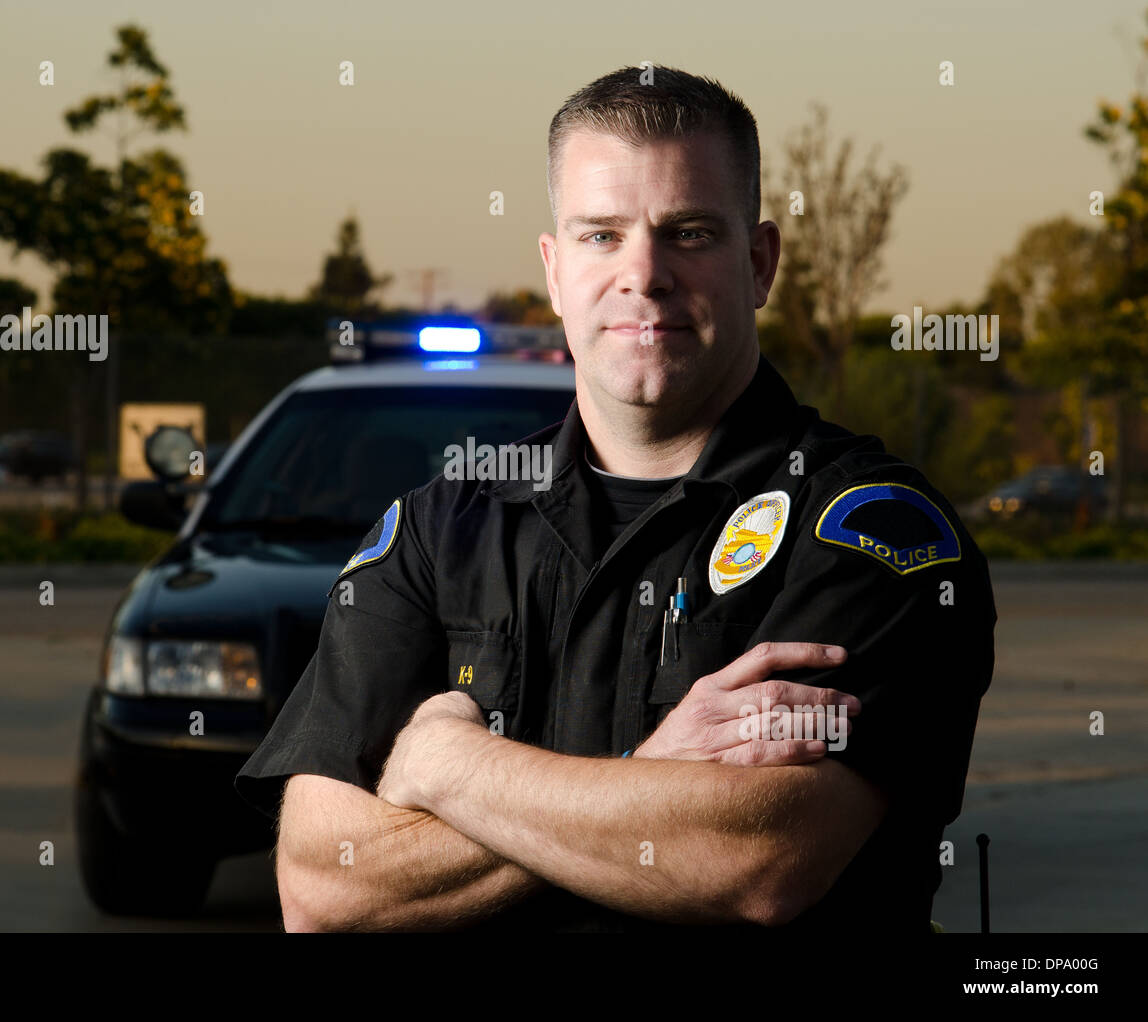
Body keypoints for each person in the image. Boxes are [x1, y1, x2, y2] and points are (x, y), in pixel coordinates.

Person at [235, 65, 996, 932]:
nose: (645, 274)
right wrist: (649, 769)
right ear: (554, 271)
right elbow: (322, 888)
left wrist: (447, 765)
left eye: (690, 233)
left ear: (758, 263)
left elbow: (754, 861)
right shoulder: (439, 528)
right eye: (602, 236)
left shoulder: (873, 530)